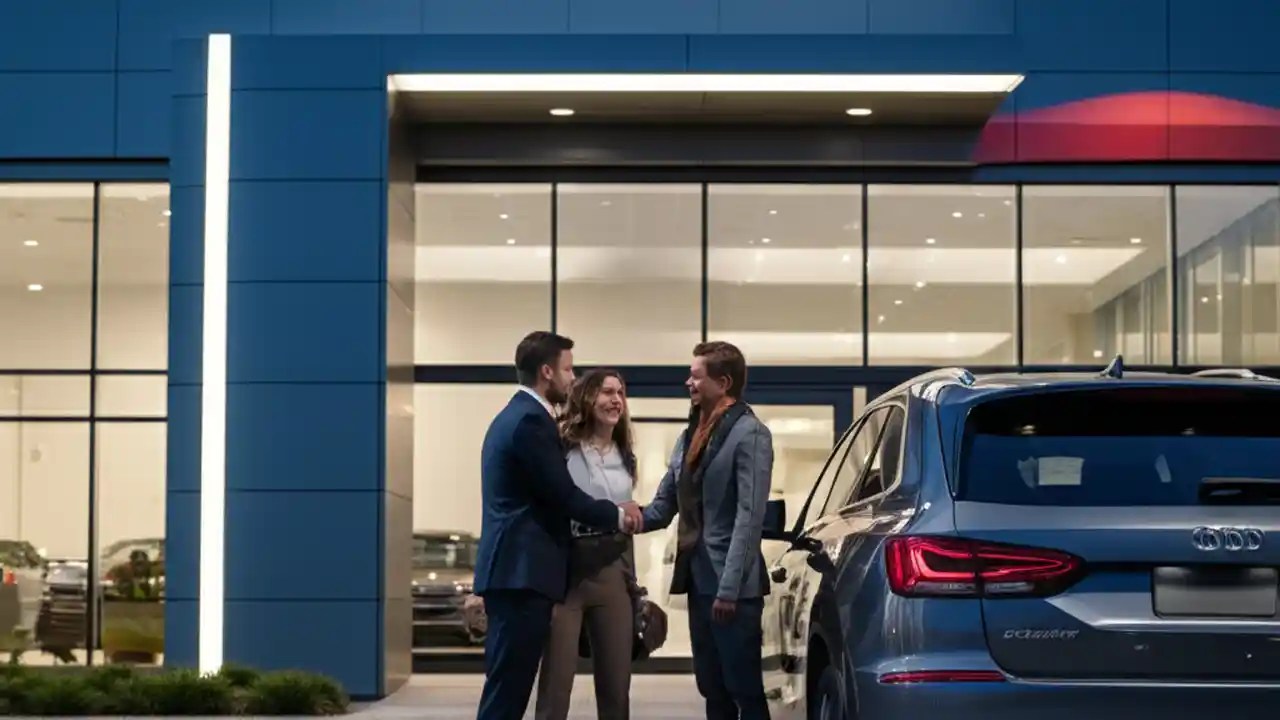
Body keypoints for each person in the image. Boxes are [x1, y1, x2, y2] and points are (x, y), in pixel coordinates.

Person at [474, 332, 643, 720]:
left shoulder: (520, 416)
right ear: (547, 372)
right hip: (523, 575)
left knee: (508, 690)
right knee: (508, 694)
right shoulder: (532, 422)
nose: (572, 378)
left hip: (523, 574)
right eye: (568, 369)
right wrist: (619, 515)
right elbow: (563, 495)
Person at [639, 341, 774, 720]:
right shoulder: (688, 438)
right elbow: (663, 507)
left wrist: (729, 589)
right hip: (700, 584)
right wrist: (617, 517)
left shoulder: (751, 434)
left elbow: (749, 519)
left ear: (724, 382)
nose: (688, 383)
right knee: (711, 688)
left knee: (744, 689)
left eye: (696, 376)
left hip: (733, 590)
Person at [535, 369, 639, 720]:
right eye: (606, 392)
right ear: (586, 398)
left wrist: (631, 580)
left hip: (611, 571)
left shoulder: (625, 454)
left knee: (616, 688)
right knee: (555, 687)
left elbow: (628, 521)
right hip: (567, 573)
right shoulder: (562, 445)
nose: (615, 400)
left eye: (620, 393)